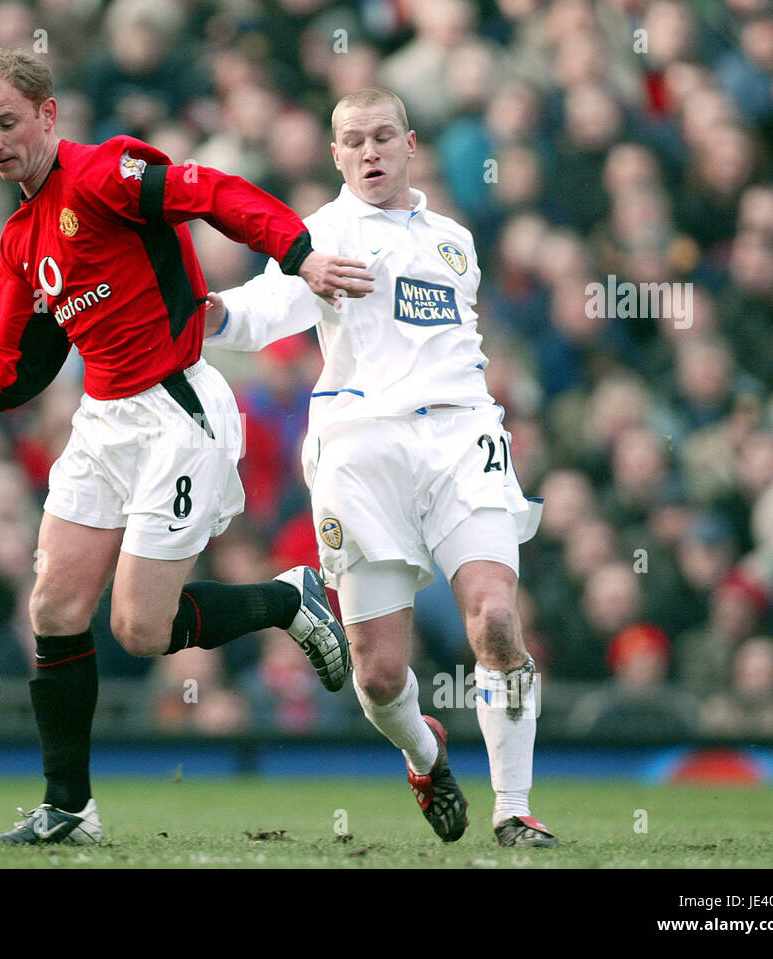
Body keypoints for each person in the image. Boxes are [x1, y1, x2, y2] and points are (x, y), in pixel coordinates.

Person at [0, 50, 372, 845]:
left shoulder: (106, 173)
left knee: (138, 630)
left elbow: (215, 191)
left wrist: (298, 255)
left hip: (178, 406)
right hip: (103, 420)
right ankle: (68, 808)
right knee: (52, 603)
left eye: (8, 122)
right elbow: (13, 373)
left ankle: (288, 599)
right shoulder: (21, 240)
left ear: (48, 116)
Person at [204, 87, 557, 848]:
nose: (369, 152)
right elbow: (265, 310)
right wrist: (198, 313)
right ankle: (424, 753)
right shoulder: (321, 234)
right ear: (335, 155)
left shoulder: (456, 240)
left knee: (495, 618)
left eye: (383, 137)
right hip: (361, 451)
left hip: (463, 437)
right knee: (379, 676)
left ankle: (515, 809)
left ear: (410, 143)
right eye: (353, 140)